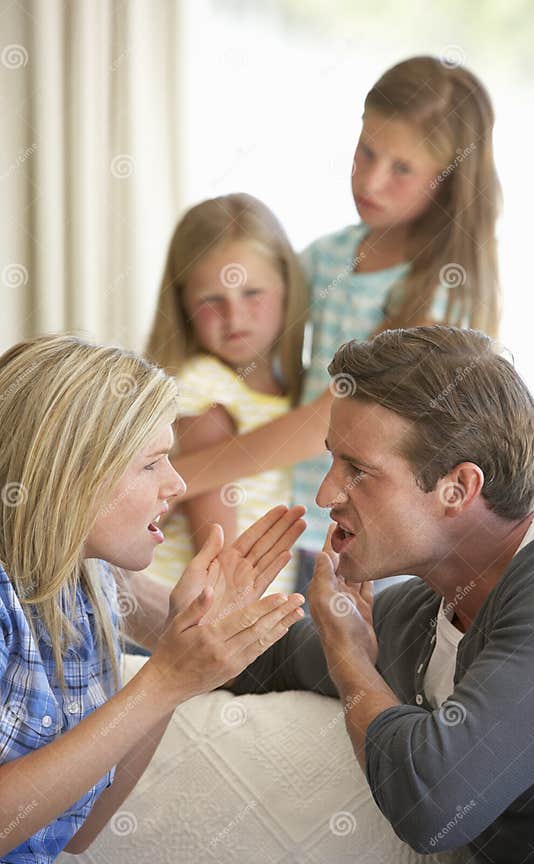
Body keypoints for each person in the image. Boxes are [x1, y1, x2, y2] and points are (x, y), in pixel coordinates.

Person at [227, 326, 534, 863]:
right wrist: (130, 595)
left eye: (358, 471)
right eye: (331, 461)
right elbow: (259, 658)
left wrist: (349, 659)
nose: (325, 495)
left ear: (457, 488)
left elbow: (436, 805)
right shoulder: (418, 614)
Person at [162, 55, 503, 590]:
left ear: (446, 179)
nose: (371, 179)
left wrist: (177, 479)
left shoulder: (441, 291)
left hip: (383, 539)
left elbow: (327, 419)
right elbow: (252, 345)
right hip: (302, 527)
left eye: (401, 169)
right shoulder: (326, 257)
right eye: (367, 150)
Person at [0, 334, 305, 862]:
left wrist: (178, 649)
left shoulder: (83, 593)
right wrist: (163, 681)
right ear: (69, 472)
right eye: (151, 464)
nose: (177, 483)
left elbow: (74, 833)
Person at [144, 193, 307, 595]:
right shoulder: (201, 388)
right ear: (182, 302)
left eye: (252, 294)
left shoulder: (293, 393)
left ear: (287, 286)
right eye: (212, 300)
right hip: (188, 617)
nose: (234, 317)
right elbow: (217, 560)